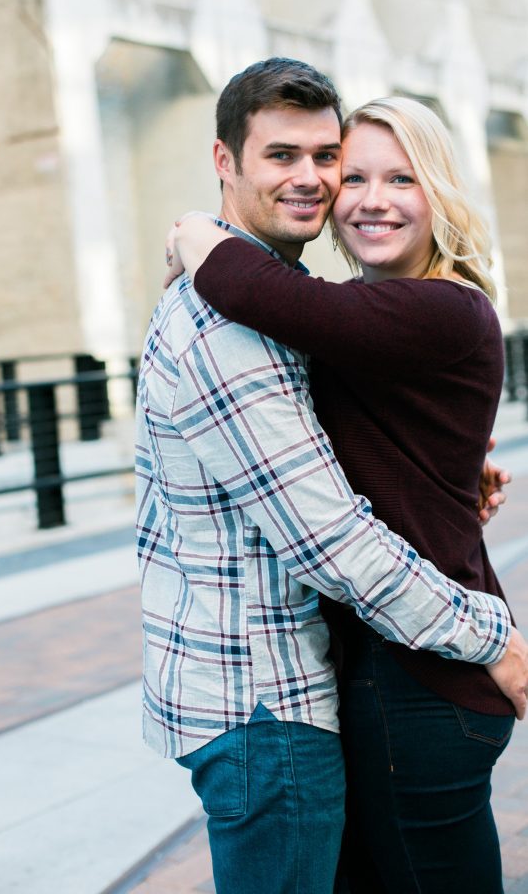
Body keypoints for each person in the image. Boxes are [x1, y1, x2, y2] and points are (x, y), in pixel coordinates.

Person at [135, 58, 528, 894]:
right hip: (288, 690)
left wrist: (194, 235)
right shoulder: (252, 316)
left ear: (441, 193)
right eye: (347, 172)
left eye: (396, 177)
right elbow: (331, 526)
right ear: (224, 161)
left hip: (407, 675)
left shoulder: (419, 306)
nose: (336, 188)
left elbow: (330, 511)